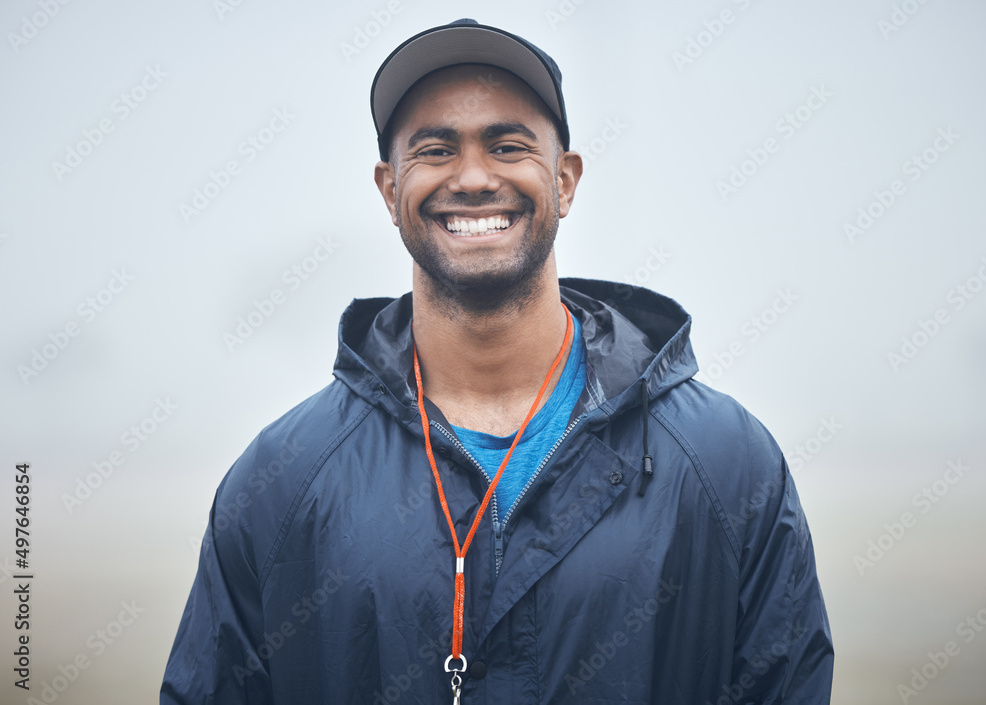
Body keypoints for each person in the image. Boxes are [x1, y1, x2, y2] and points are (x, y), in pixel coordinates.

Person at [161, 18, 834, 704]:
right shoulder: (282, 481)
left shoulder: (724, 462)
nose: (475, 177)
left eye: (508, 144)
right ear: (389, 188)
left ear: (565, 181)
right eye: (436, 148)